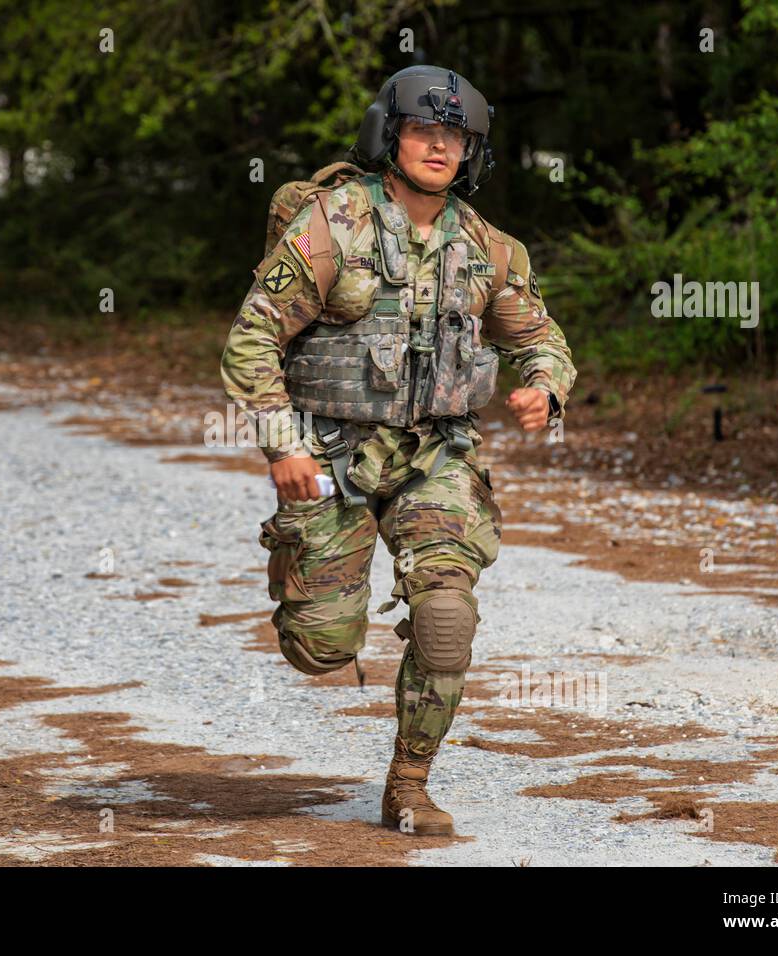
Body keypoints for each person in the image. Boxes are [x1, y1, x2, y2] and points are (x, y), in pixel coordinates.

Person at [219, 65, 576, 836]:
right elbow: (253, 337)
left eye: (455, 137)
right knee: (319, 648)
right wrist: (281, 442)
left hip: (436, 456)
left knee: (447, 619)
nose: (440, 147)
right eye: (424, 131)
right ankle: (307, 581)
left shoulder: (487, 248)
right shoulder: (332, 224)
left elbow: (541, 337)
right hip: (332, 450)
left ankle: (409, 784)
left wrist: (544, 385)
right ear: (390, 135)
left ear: (473, 152)